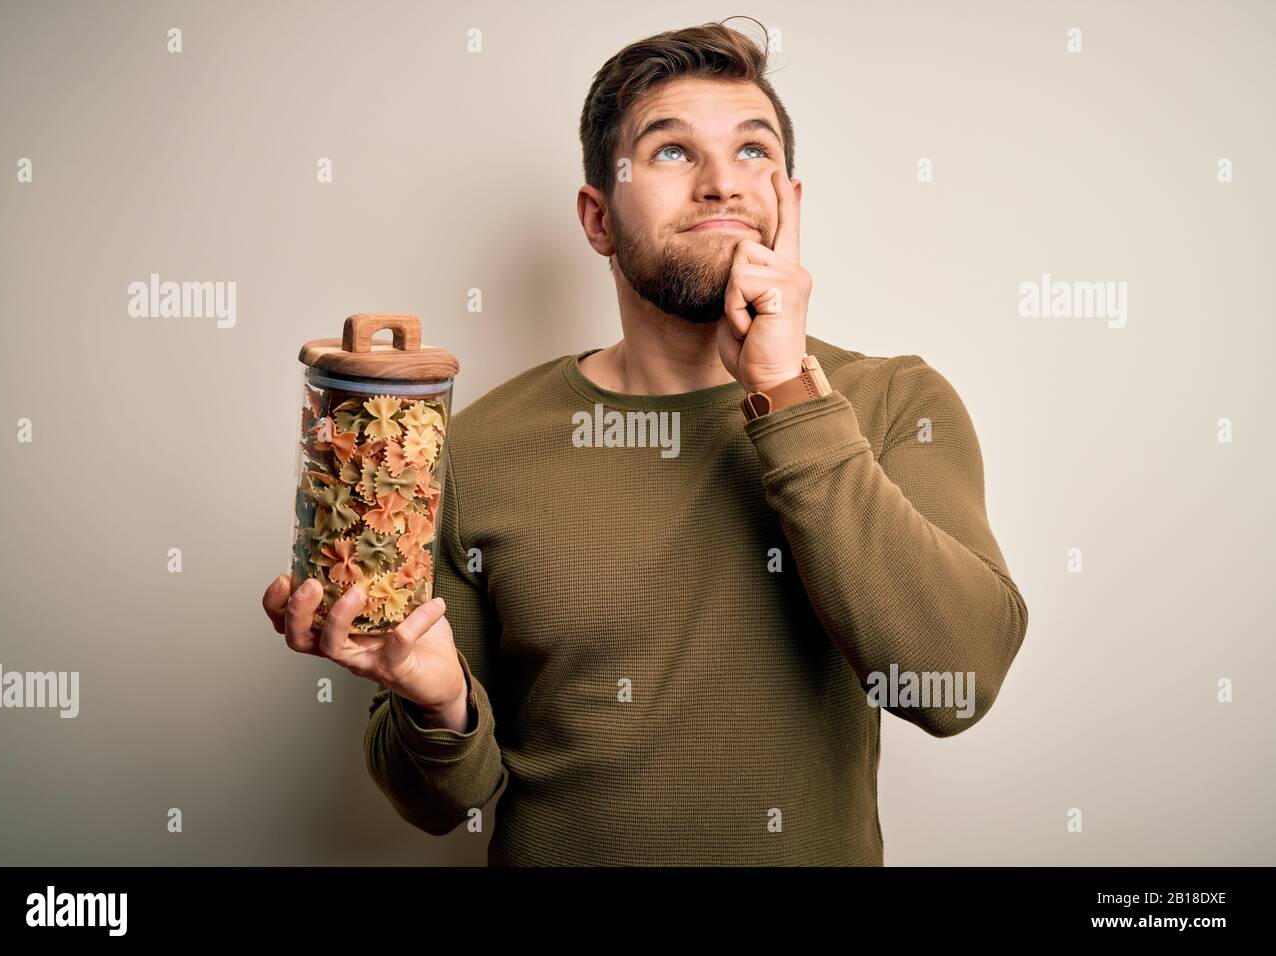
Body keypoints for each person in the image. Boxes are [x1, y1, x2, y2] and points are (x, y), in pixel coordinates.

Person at [261, 18, 1029, 865]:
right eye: (671, 153)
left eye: (752, 152)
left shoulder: (893, 404)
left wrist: (787, 396)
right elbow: (440, 803)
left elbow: (956, 683)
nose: (720, 186)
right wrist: (440, 704)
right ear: (597, 218)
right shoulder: (476, 447)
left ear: (791, 202)